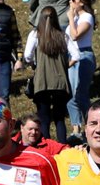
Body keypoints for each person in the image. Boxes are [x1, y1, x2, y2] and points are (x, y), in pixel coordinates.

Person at [24, 8, 72, 141]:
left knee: (44, 118)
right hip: (60, 81)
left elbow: (27, 56)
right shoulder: (63, 35)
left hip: (42, 80)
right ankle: (62, 145)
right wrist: (65, 65)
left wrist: (34, 64)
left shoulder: (35, 35)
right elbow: (76, 55)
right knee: (59, 118)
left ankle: (46, 145)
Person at [65, 0, 96, 133]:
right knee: (71, 95)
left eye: (73, 0)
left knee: (81, 94)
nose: (70, 2)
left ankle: (91, 124)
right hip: (72, 56)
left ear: (82, 3)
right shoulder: (76, 17)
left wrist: (71, 18)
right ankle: (76, 128)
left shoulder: (86, 17)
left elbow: (75, 35)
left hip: (83, 56)